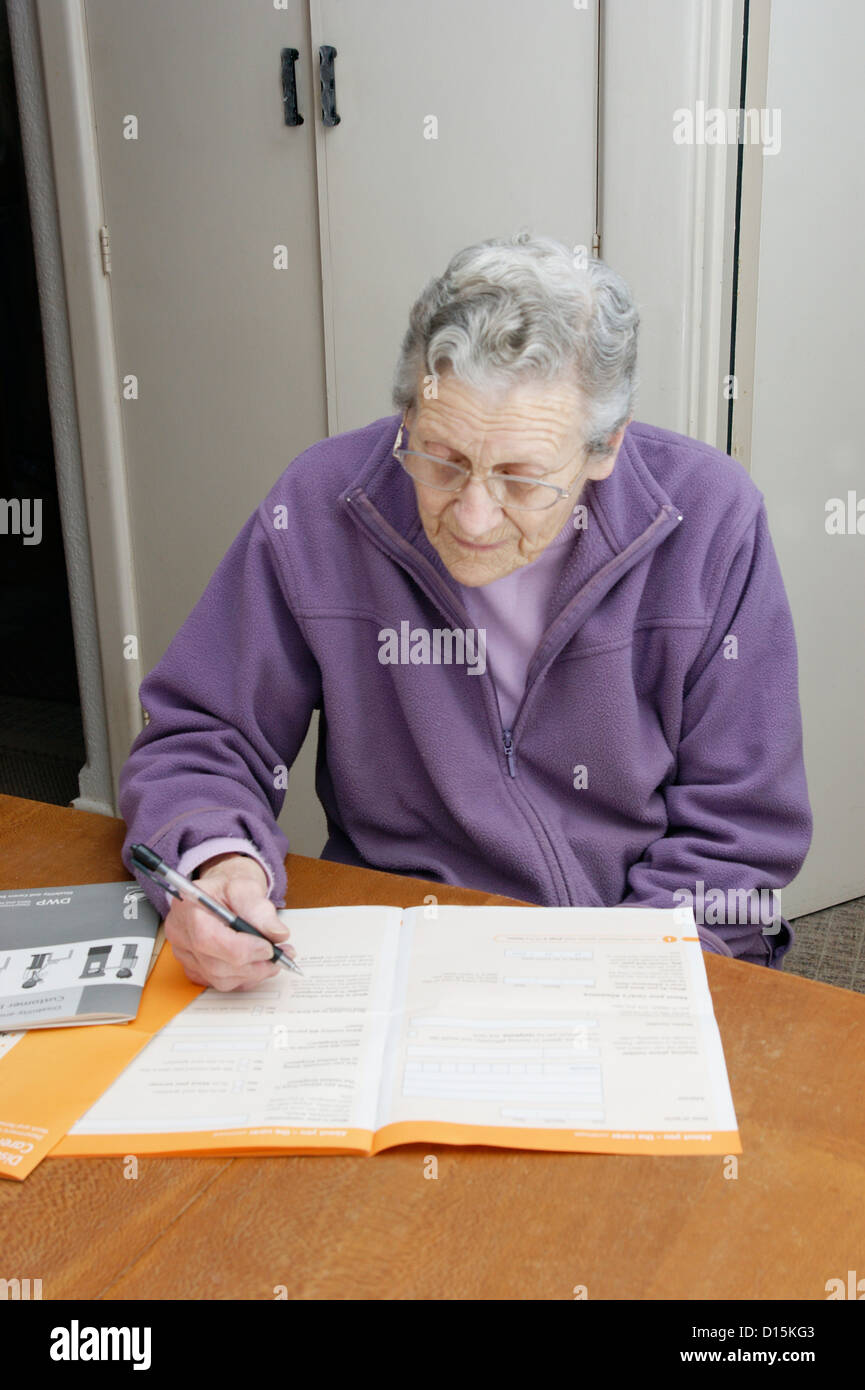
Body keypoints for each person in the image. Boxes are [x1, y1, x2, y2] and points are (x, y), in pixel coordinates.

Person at [120, 233, 813, 991]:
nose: (474, 518)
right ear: (406, 414)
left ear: (604, 446)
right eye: (440, 459)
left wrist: (631, 987)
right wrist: (218, 860)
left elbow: (739, 834)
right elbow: (201, 735)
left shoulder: (712, 520)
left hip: (638, 943)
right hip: (400, 945)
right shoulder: (318, 503)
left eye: (522, 480)